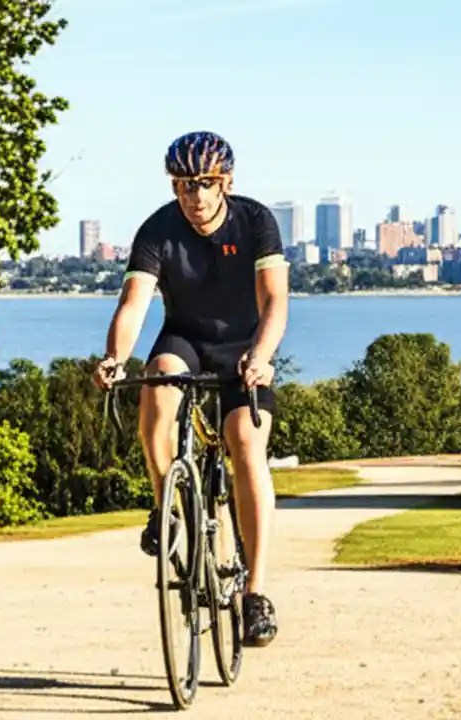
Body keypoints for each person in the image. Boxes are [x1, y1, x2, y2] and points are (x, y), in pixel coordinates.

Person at [92, 130, 289, 647]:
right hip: (186, 339)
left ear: (225, 183)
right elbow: (134, 304)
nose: (193, 195)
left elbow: (275, 301)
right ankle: (169, 509)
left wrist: (261, 357)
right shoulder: (158, 228)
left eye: (204, 183)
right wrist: (115, 358)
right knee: (157, 380)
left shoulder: (255, 221)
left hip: (245, 348)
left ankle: (255, 594)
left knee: (245, 442)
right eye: (183, 184)